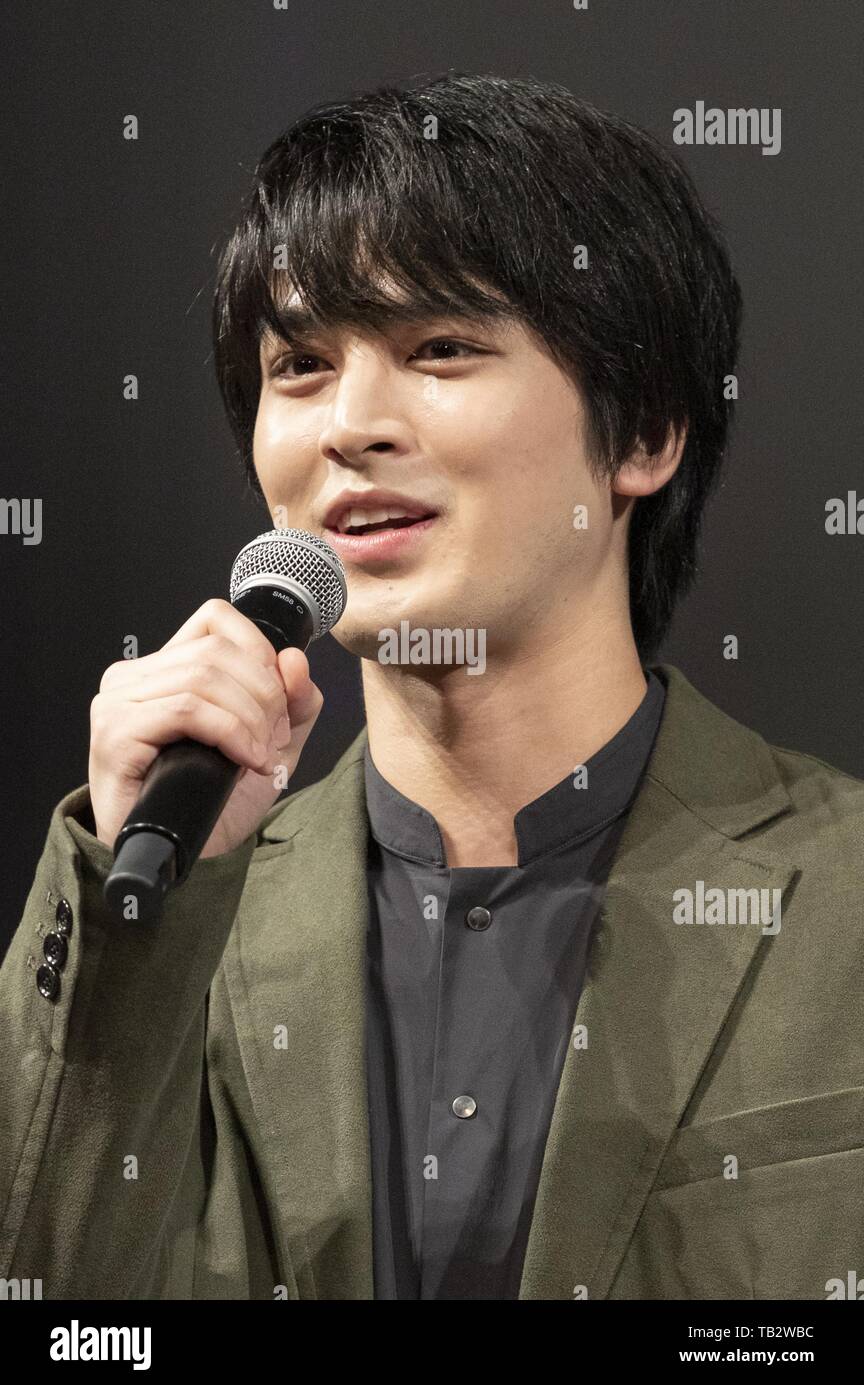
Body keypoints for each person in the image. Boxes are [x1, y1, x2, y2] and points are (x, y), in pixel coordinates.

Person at [1, 73, 862, 1302]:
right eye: (299, 364)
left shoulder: (844, 894)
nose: (351, 422)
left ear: (647, 431)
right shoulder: (155, 905)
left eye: (440, 348)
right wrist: (136, 928)